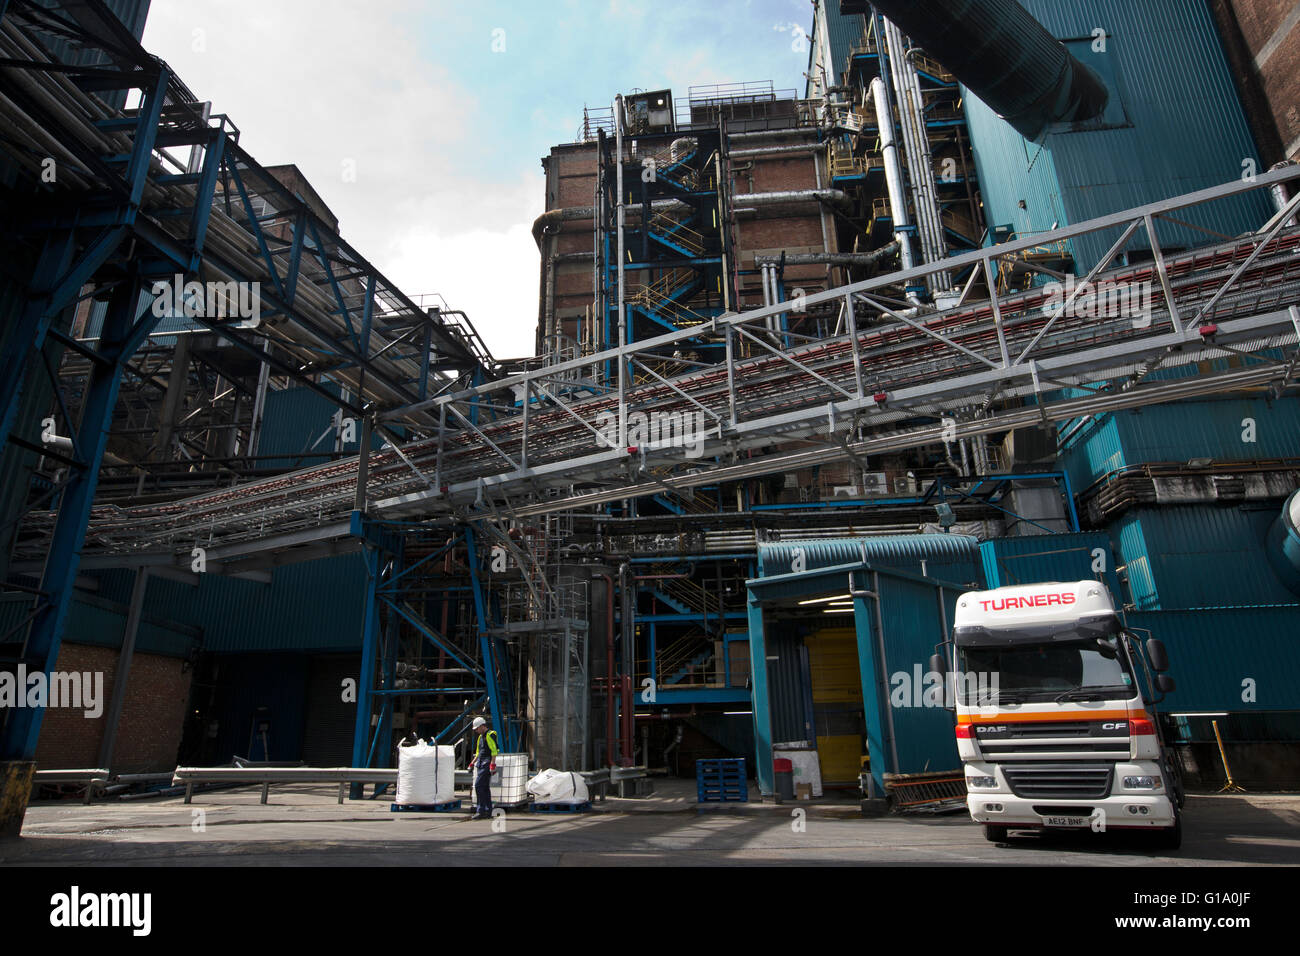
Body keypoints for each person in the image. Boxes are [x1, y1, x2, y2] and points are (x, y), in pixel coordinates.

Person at [467, 716, 499, 820]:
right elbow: (478, 752)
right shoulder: (481, 737)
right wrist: (472, 763)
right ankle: (487, 811)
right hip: (481, 763)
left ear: (482, 726)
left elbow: (494, 751)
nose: (476, 730)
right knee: (484, 788)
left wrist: (492, 765)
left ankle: (481, 811)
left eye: (477, 728)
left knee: (478, 786)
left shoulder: (490, 735)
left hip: (487, 764)